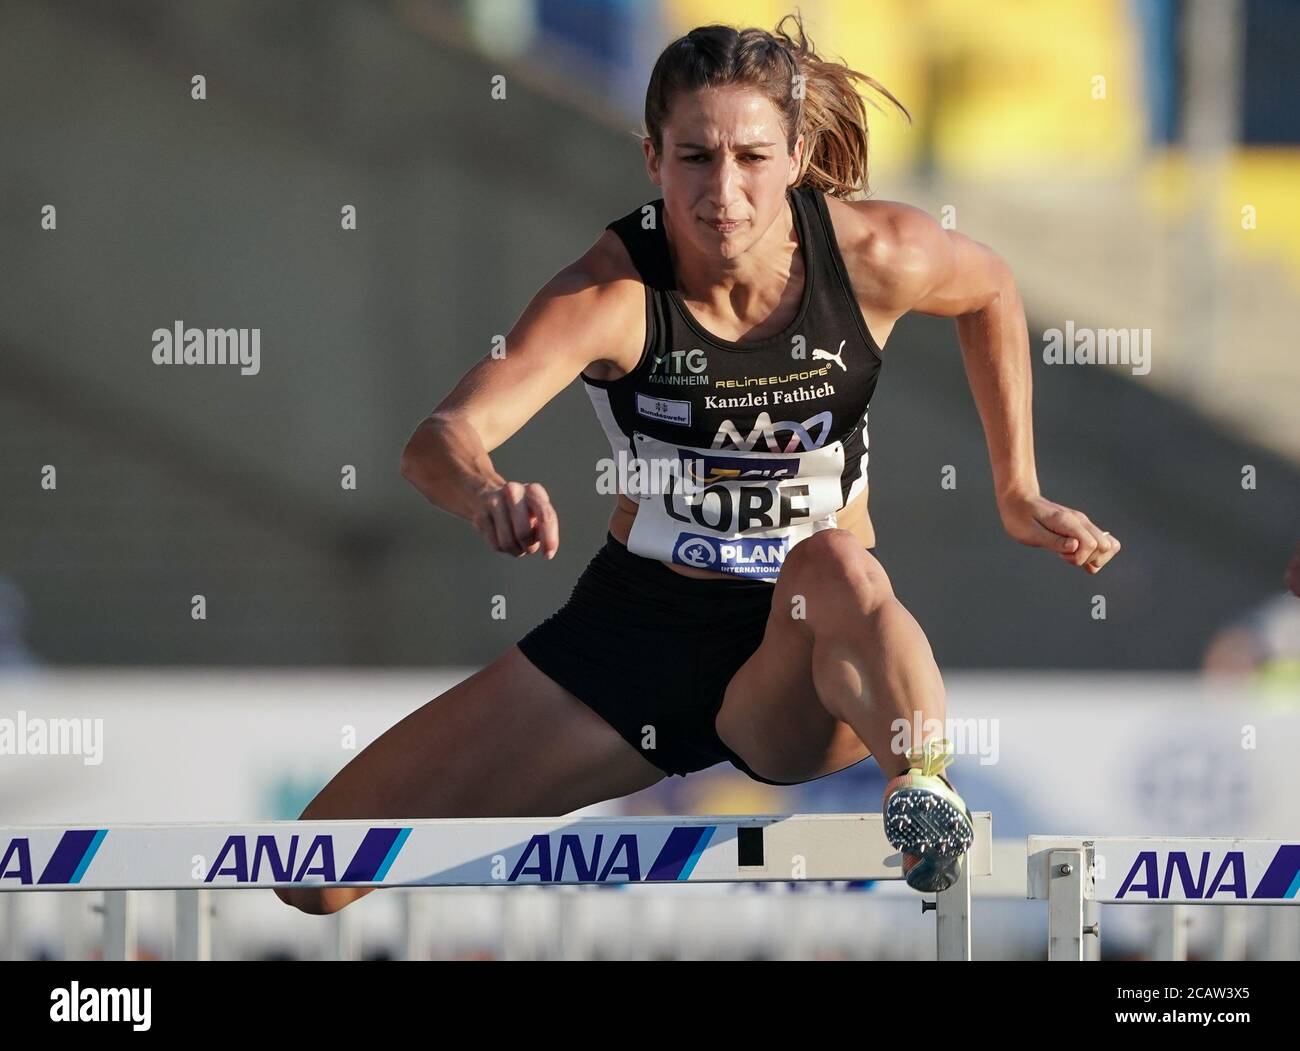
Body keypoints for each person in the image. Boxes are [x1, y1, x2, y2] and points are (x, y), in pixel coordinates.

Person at [277, 13, 1120, 916]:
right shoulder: (610, 294)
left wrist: (1016, 488)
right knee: (315, 871)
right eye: (695, 158)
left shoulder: (876, 257)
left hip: (804, 649)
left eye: (752, 158)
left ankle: (924, 791)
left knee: (834, 562)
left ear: (797, 156)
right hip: (636, 637)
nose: (725, 193)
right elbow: (439, 439)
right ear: (652, 158)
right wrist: (485, 489)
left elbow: (990, 289)